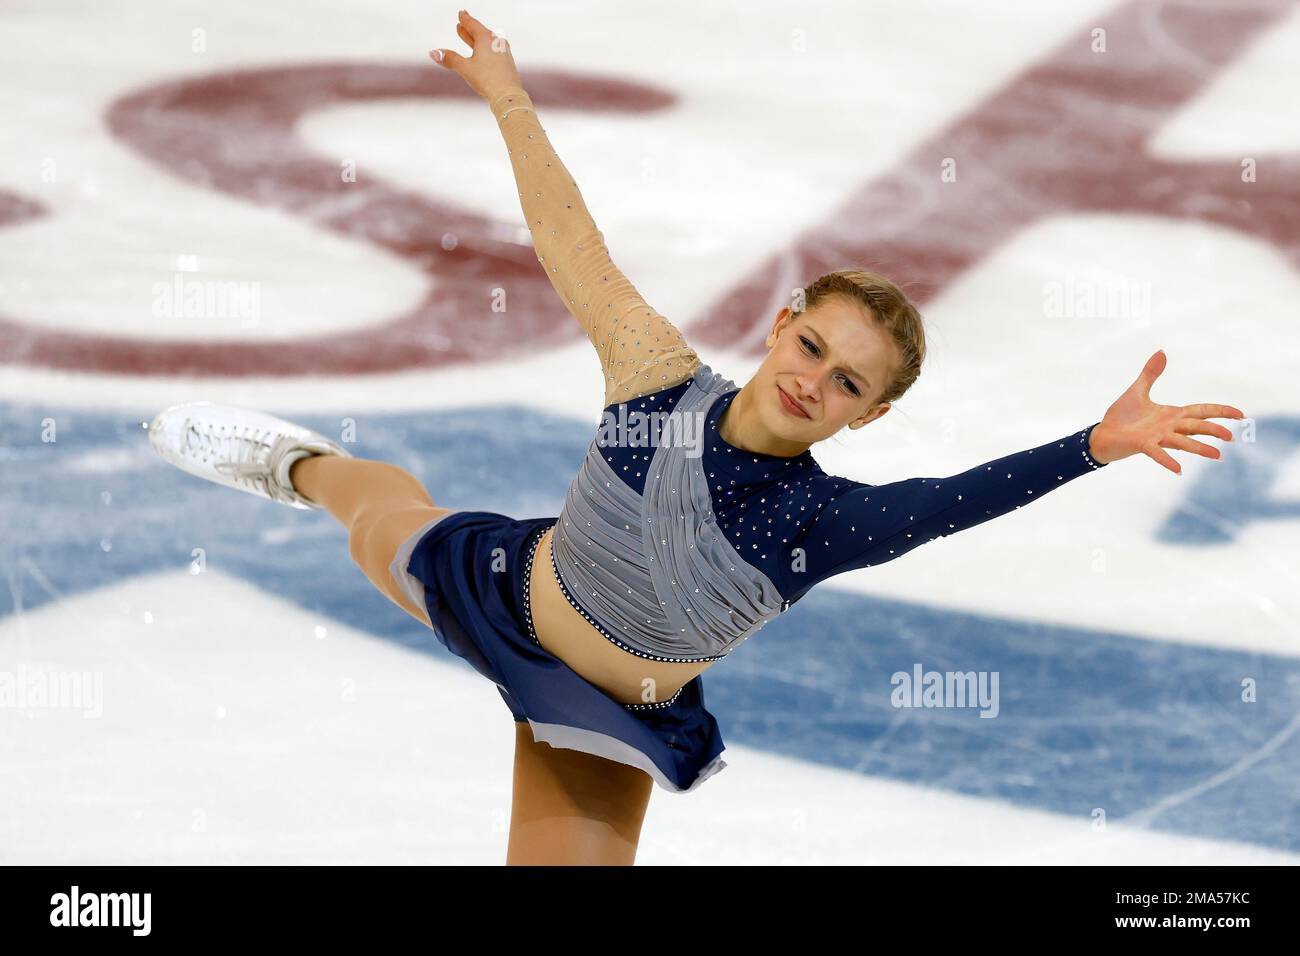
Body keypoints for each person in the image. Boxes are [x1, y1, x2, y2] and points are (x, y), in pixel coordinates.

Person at [146, 10, 1245, 865]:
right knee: (373, 517)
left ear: (871, 413)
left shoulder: (826, 523)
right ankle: (298, 461)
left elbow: (957, 497)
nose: (815, 380)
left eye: (849, 381)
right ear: (780, 326)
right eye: (812, 346)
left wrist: (1091, 446)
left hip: (609, 712)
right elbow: (570, 242)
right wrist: (510, 99)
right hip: (504, 583)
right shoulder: (654, 373)